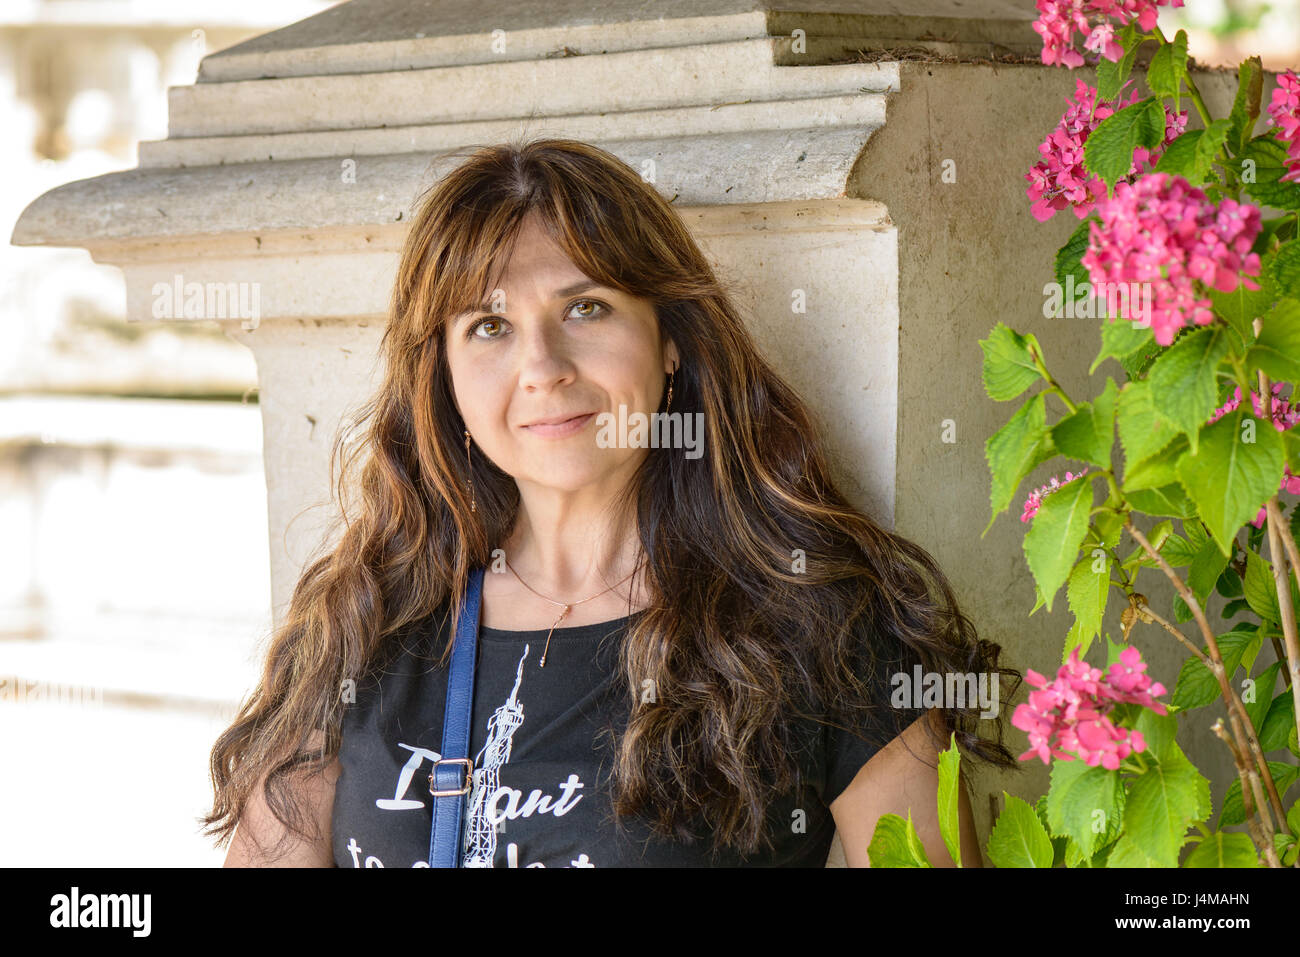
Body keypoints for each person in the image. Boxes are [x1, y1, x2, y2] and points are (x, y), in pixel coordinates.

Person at [205, 136, 1021, 868]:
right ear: (444, 377)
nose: (543, 365)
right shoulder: (365, 618)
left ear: (671, 341)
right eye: (489, 325)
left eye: (585, 308)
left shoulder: (815, 622)